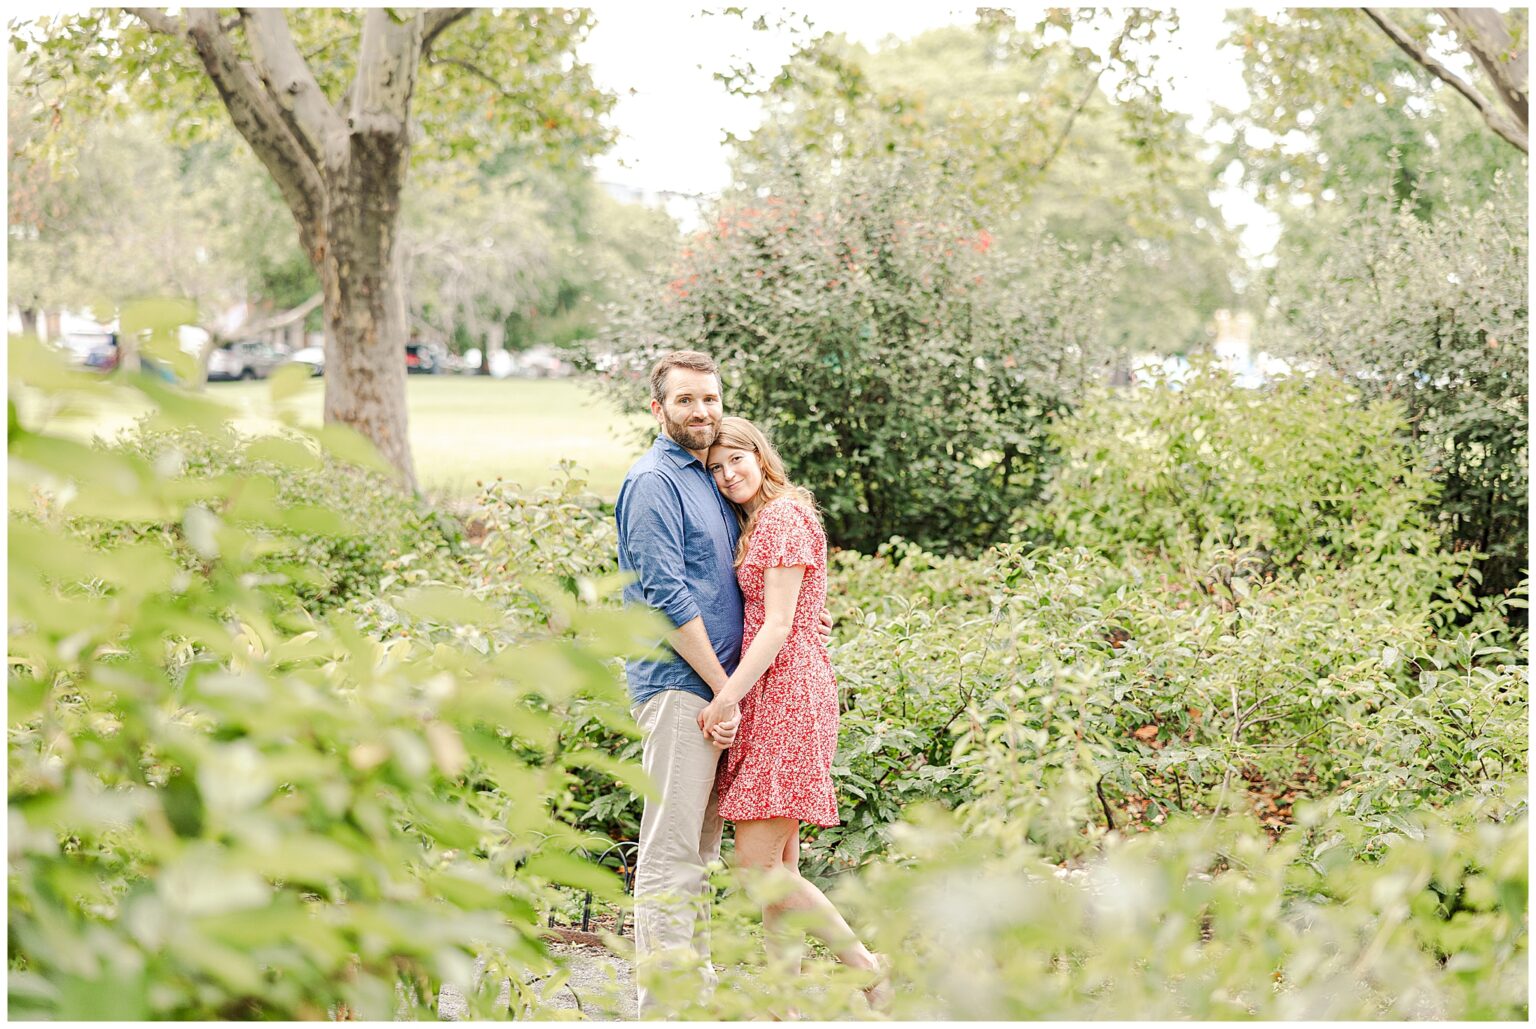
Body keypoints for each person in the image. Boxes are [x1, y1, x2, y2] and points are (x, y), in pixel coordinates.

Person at [615, 351, 830, 1017]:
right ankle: (666, 1009)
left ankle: (695, 997)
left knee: (699, 855)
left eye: (710, 397)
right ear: (658, 408)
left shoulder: (707, 475)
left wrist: (801, 619)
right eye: (685, 399)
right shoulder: (653, 482)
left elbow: (751, 581)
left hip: (723, 697)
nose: (701, 410)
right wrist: (723, 690)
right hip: (683, 688)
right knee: (670, 855)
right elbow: (665, 597)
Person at [698, 416, 890, 1012]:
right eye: (716, 468)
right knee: (779, 865)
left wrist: (726, 696)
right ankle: (784, 1002)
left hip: (786, 693)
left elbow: (779, 623)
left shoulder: (782, 516)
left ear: (760, 455)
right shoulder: (761, 519)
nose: (729, 474)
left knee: (757, 869)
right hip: (775, 688)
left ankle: (867, 970)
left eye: (737, 459)